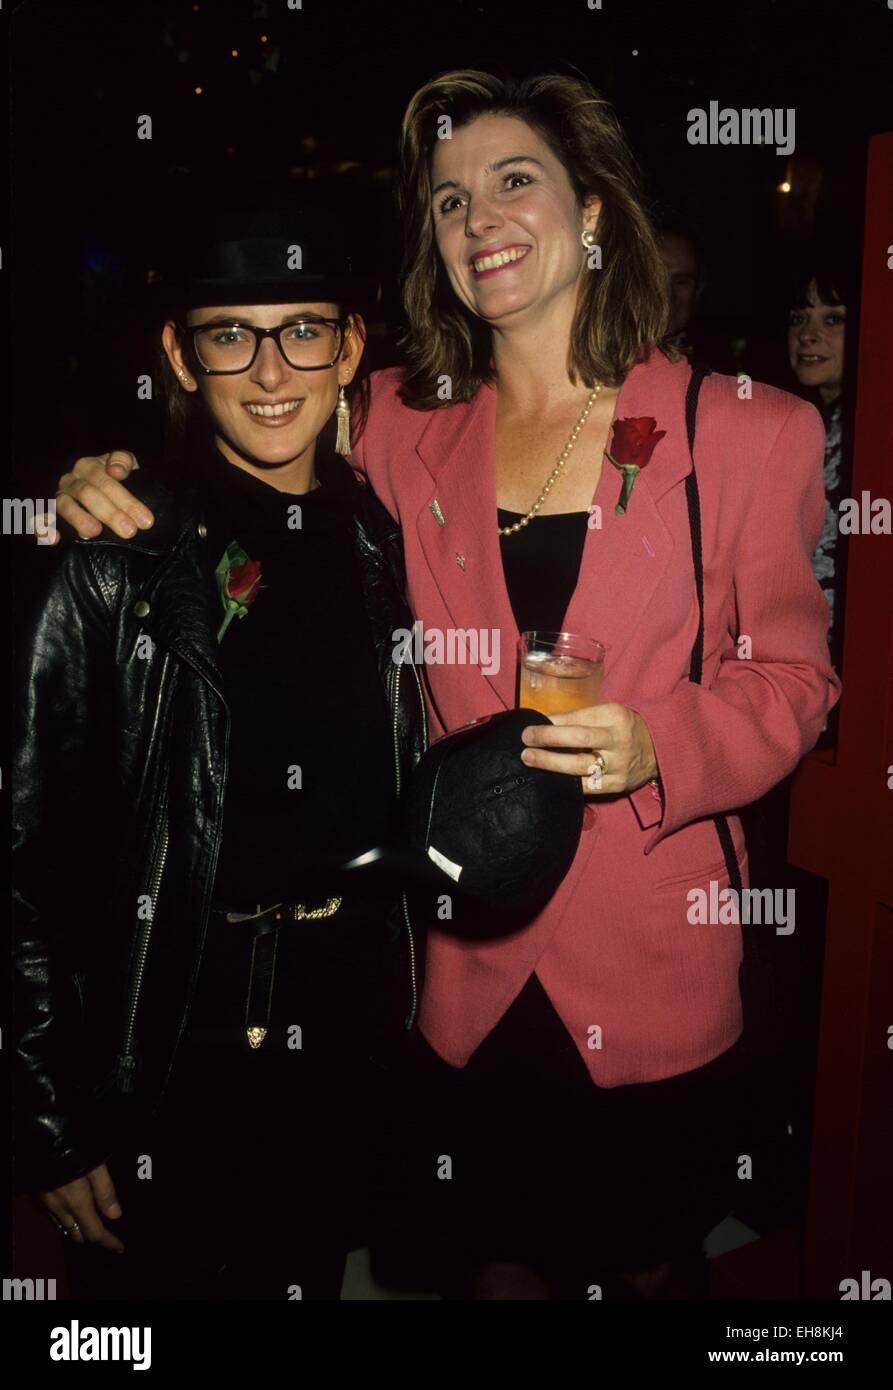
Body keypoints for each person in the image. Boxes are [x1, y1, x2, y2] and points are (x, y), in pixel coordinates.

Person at [48, 70, 841, 1300]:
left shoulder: (749, 431)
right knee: (484, 1268)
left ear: (591, 209)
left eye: (512, 180)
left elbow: (794, 677)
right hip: (455, 962)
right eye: (446, 199)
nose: (477, 218)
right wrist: (104, 471)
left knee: (641, 1264)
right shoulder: (392, 420)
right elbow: (252, 405)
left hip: (650, 945)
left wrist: (664, 745)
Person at [13, 203, 428, 1300]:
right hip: (167, 1035)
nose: (268, 367)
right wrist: (50, 1117)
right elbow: (24, 854)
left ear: (348, 347)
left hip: (342, 1023)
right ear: (180, 356)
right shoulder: (115, 558)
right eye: (229, 334)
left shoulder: (381, 533)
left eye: (302, 330)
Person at [786, 264, 854, 675]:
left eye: (833, 319)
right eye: (799, 318)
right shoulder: (794, 419)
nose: (808, 335)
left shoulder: (874, 429)